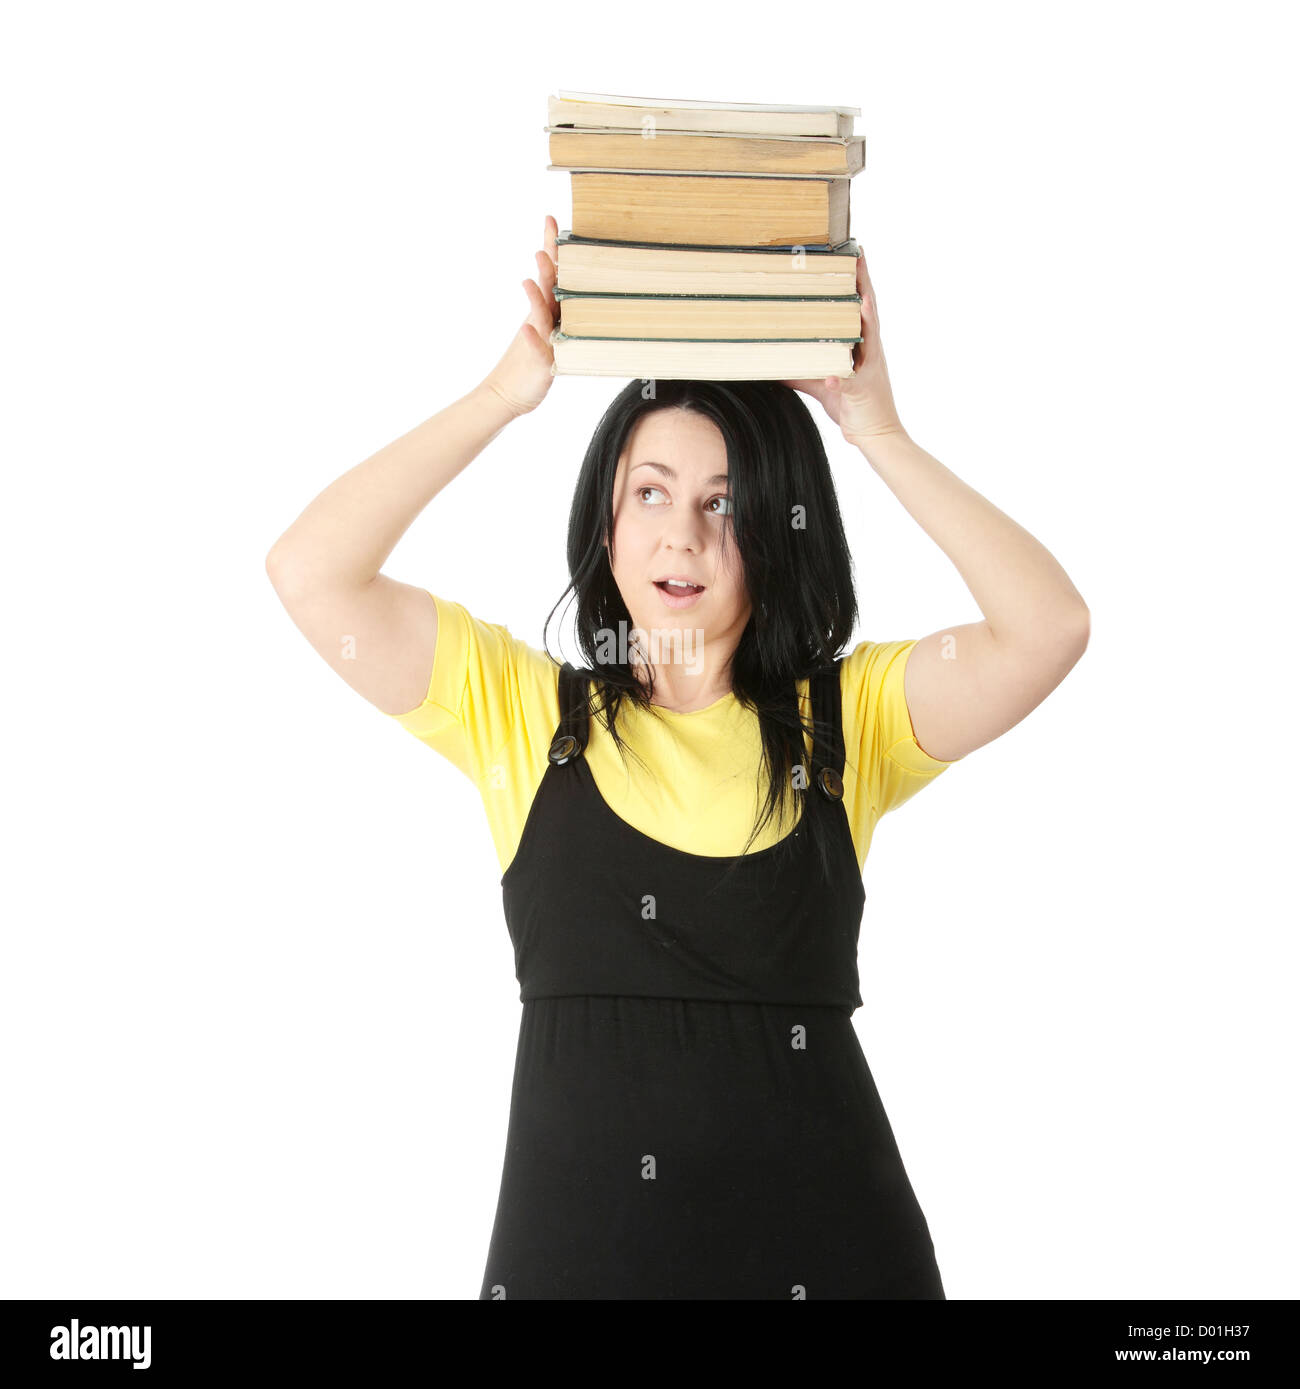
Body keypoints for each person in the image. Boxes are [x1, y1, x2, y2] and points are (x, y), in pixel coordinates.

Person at [265, 215, 1090, 1299]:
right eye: (648, 492)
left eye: (724, 503)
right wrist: (503, 396)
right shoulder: (522, 714)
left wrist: (877, 433)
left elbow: (1049, 628)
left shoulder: (849, 720)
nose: (681, 537)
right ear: (604, 521)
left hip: (832, 1254)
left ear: (774, 530)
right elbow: (310, 572)